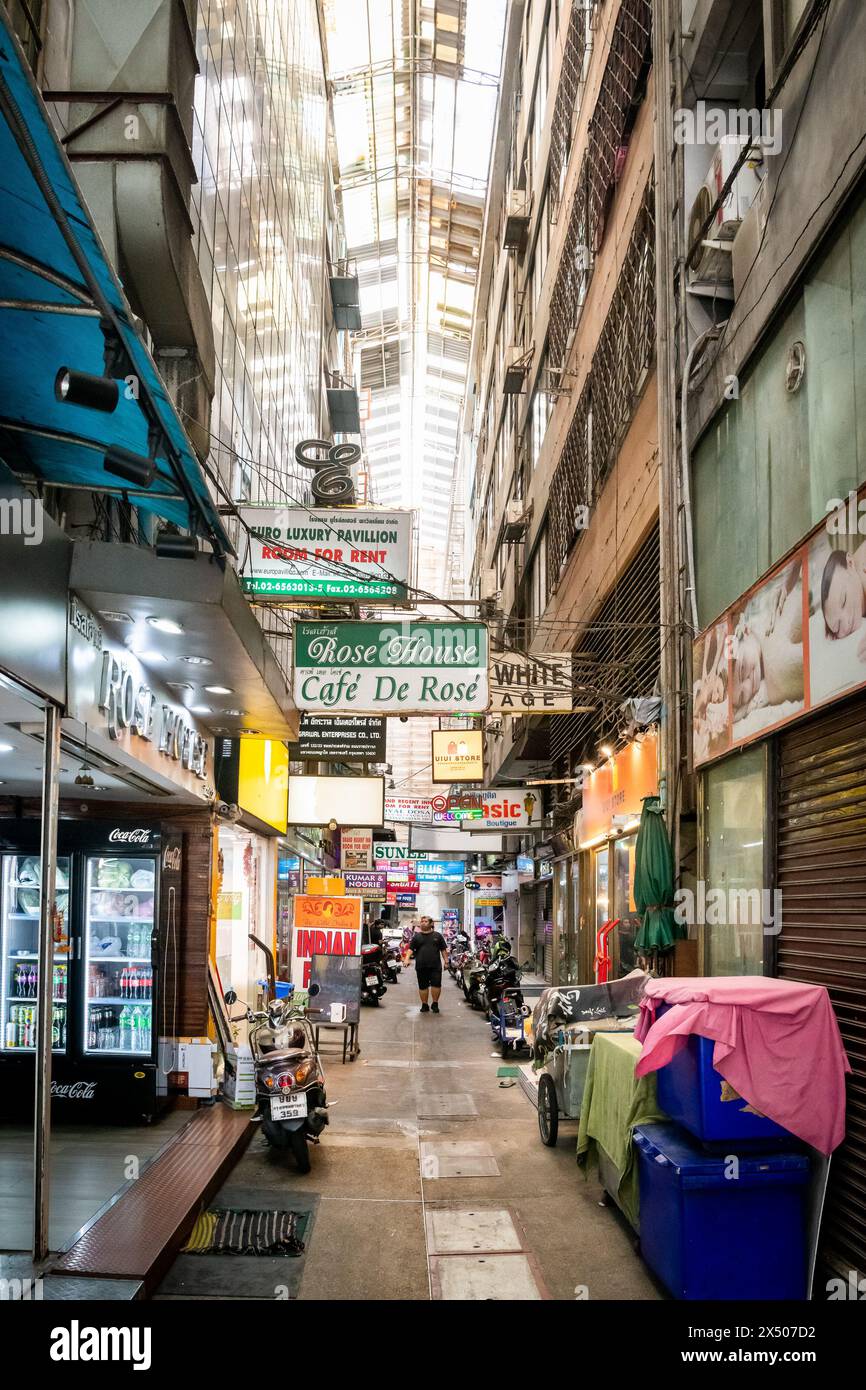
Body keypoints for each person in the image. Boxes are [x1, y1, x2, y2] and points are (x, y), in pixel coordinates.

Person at [409, 916, 449, 1014]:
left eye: (425, 921)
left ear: (431, 924)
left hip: (435, 966)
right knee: (423, 986)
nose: (423, 923)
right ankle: (424, 1004)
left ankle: (435, 1003)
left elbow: (443, 950)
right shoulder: (416, 936)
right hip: (421, 966)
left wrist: (446, 961)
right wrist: (406, 959)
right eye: (422, 921)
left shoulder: (438, 936)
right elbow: (410, 949)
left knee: (436, 985)